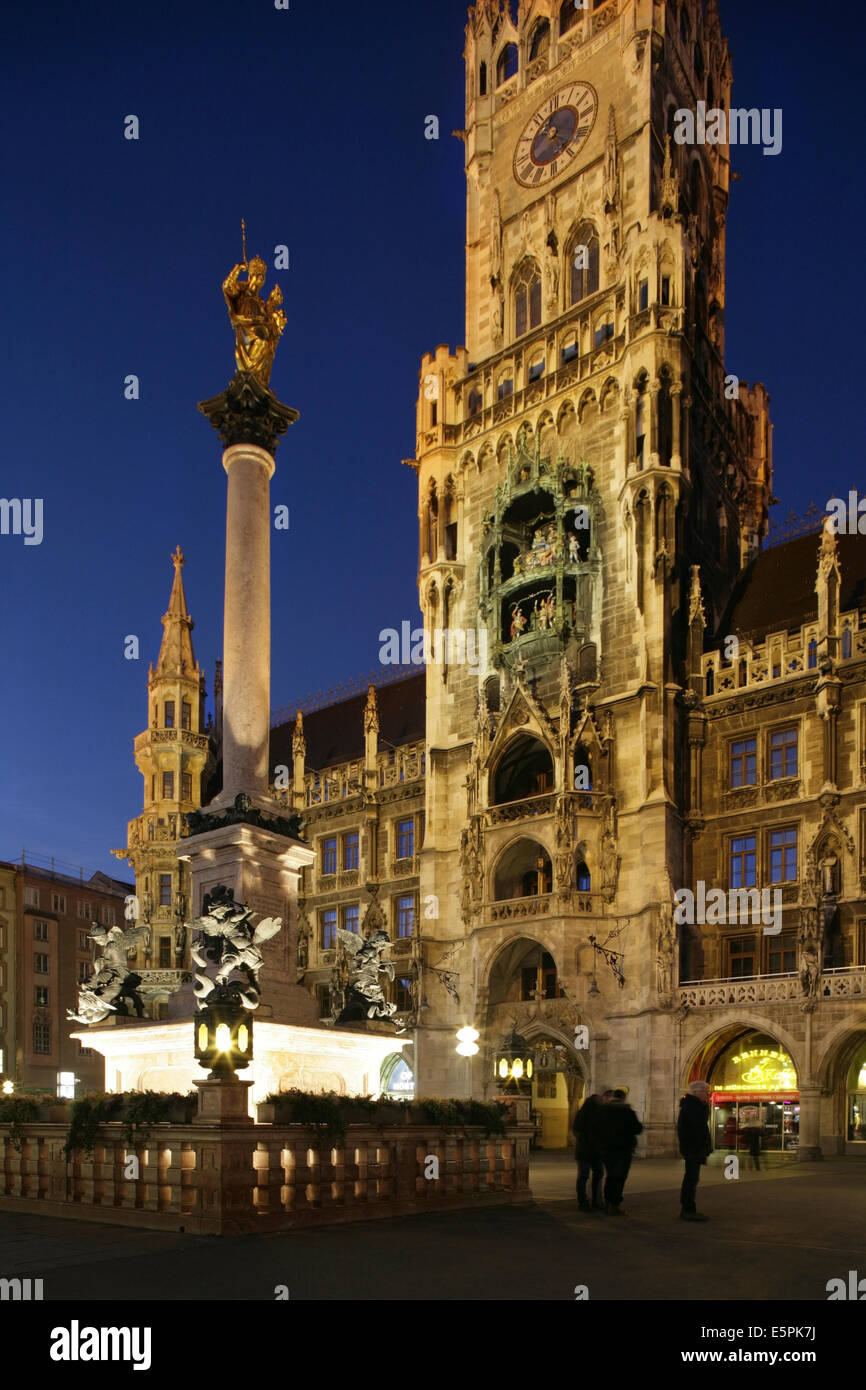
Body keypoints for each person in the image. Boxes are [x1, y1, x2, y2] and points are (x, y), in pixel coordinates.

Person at [598, 1086, 642, 1215]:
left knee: (610, 1175)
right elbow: (638, 1128)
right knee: (620, 1177)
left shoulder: (603, 1110)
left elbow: (596, 1129)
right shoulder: (627, 1112)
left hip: (606, 1149)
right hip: (623, 1150)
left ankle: (607, 1203)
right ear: (623, 1098)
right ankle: (615, 1204)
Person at [678, 1080, 713, 1221]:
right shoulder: (691, 1107)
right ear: (697, 1092)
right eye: (706, 1092)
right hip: (693, 1149)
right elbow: (696, 1129)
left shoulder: (695, 1106)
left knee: (692, 1179)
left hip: (694, 1149)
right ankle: (687, 1209)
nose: (708, 1095)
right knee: (691, 1180)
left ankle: (688, 1209)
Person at [572, 1092, 608, 1212]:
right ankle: (595, 1201)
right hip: (594, 1152)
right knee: (596, 1175)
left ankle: (583, 1202)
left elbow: (576, 1131)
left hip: (584, 1151)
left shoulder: (581, 1115)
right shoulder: (599, 1115)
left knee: (583, 1177)